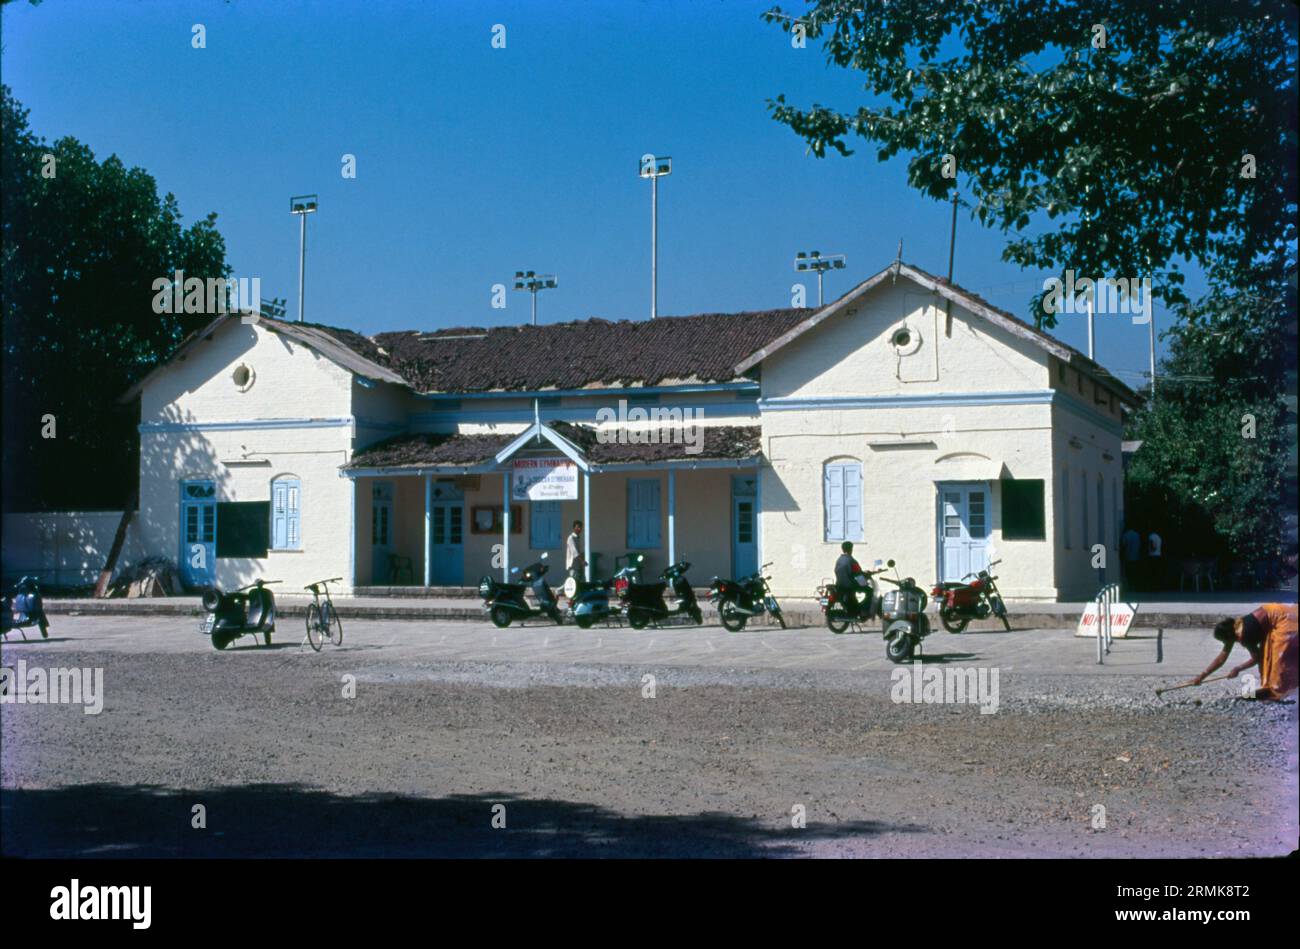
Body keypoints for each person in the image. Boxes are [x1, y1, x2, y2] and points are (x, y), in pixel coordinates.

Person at [1193, 603, 1298, 701]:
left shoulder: (1245, 634)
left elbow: (1256, 658)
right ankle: (1271, 687)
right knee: (1267, 656)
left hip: (1286, 621)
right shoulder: (1237, 626)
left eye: (1224, 641)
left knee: (1279, 661)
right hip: (1282, 613)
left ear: (1228, 636)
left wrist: (1238, 669)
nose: (1225, 643)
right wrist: (1202, 676)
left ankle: (1277, 693)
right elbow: (1222, 658)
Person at [834, 541, 867, 616]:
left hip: (839, 584)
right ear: (851, 549)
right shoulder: (851, 560)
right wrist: (865, 576)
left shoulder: (839, 560)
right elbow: (858, 572)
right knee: (869, 590)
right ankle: (862, 610)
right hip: (849, 584)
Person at [1121, 525, 1142, 591]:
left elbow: (1123, 545)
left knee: (1128, 572)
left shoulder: (1126, 535)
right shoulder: (1137, 535)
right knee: (1135, 572)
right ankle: (1135, 586)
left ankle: (1130, 586)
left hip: (1128, 556)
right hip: (1136, 556)